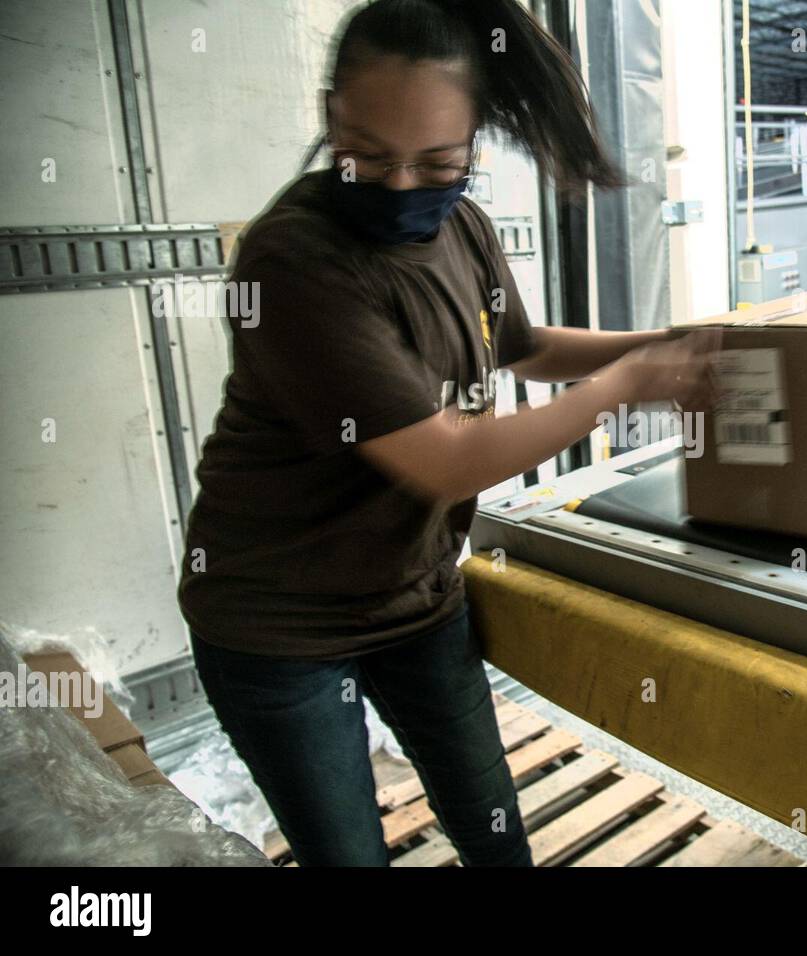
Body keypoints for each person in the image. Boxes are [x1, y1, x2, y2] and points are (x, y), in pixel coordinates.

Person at [178, 0, 719, 867]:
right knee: (348, 853)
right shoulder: (294, 262)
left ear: (475, 138)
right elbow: (445, 461)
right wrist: (629, 388)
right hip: (278, 624)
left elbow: (528, 349)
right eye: (370, 157)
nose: (400, 187)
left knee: (491, 817)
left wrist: (662, 344)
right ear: (331, 119)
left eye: (437, 162)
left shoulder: (459, 225)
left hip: (414, 596)